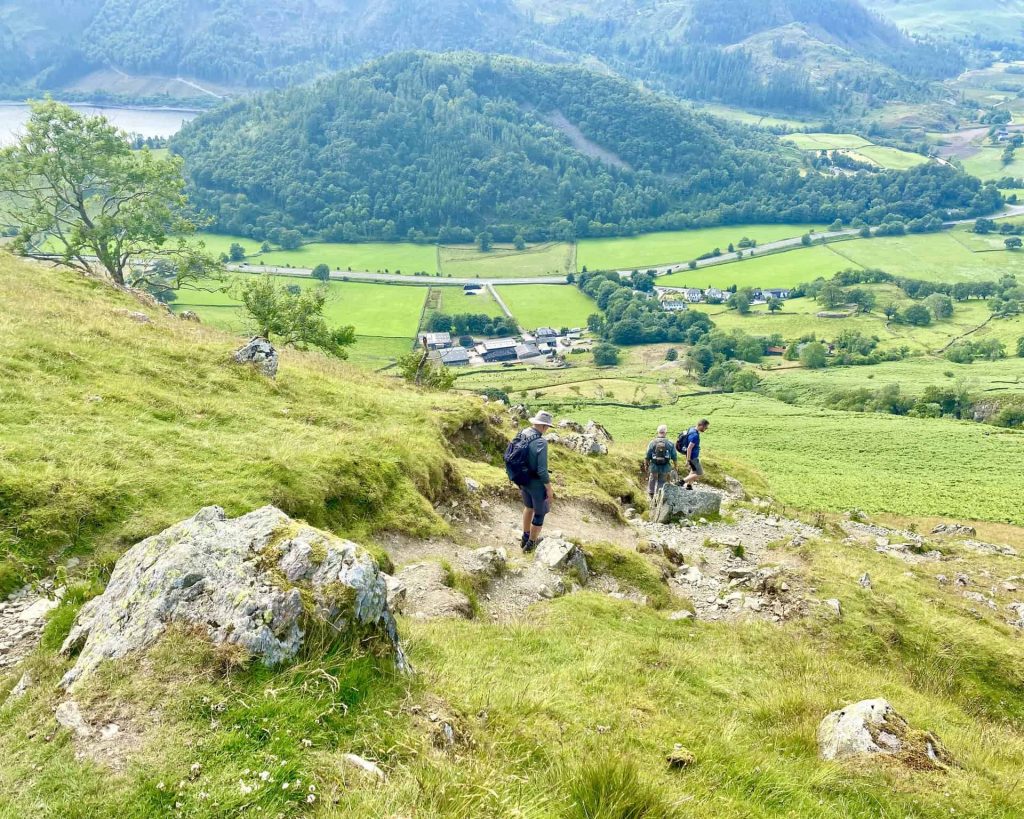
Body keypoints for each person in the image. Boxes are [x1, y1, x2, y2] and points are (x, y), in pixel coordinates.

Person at [513, 410, 555, 552]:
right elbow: (542, 470)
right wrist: (549, 488)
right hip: (536, 483)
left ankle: (525, 536)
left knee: (528, 507)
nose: (547, 429)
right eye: (547, 426)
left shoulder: (523, 433)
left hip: (523, 479)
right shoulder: (541, 442)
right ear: (543, 426)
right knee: (539, 513)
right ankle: (531, 544)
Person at [644, 424, 677, 500]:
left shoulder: (652, 442)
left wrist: (646, 465)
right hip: (665, 467)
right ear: (666, 432)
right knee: (661, 481)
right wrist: (676, 466)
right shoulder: (670, 443)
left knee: (652, 479)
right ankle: (658, 497)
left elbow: (647, 456)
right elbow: (674, 456)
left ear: (657, 432)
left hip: (654, 466)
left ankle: (651, 495)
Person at [678, 419, 709, 490]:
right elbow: (689, 448)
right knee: (699, 473)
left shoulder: (691, 429)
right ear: (700, 425)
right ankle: (681, 482)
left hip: (692, 457)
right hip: (693, 458)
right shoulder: (695, 436)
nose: (706, 429)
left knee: (693, 471)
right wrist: (688, 460)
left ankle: (689, 486)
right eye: (705, 427)